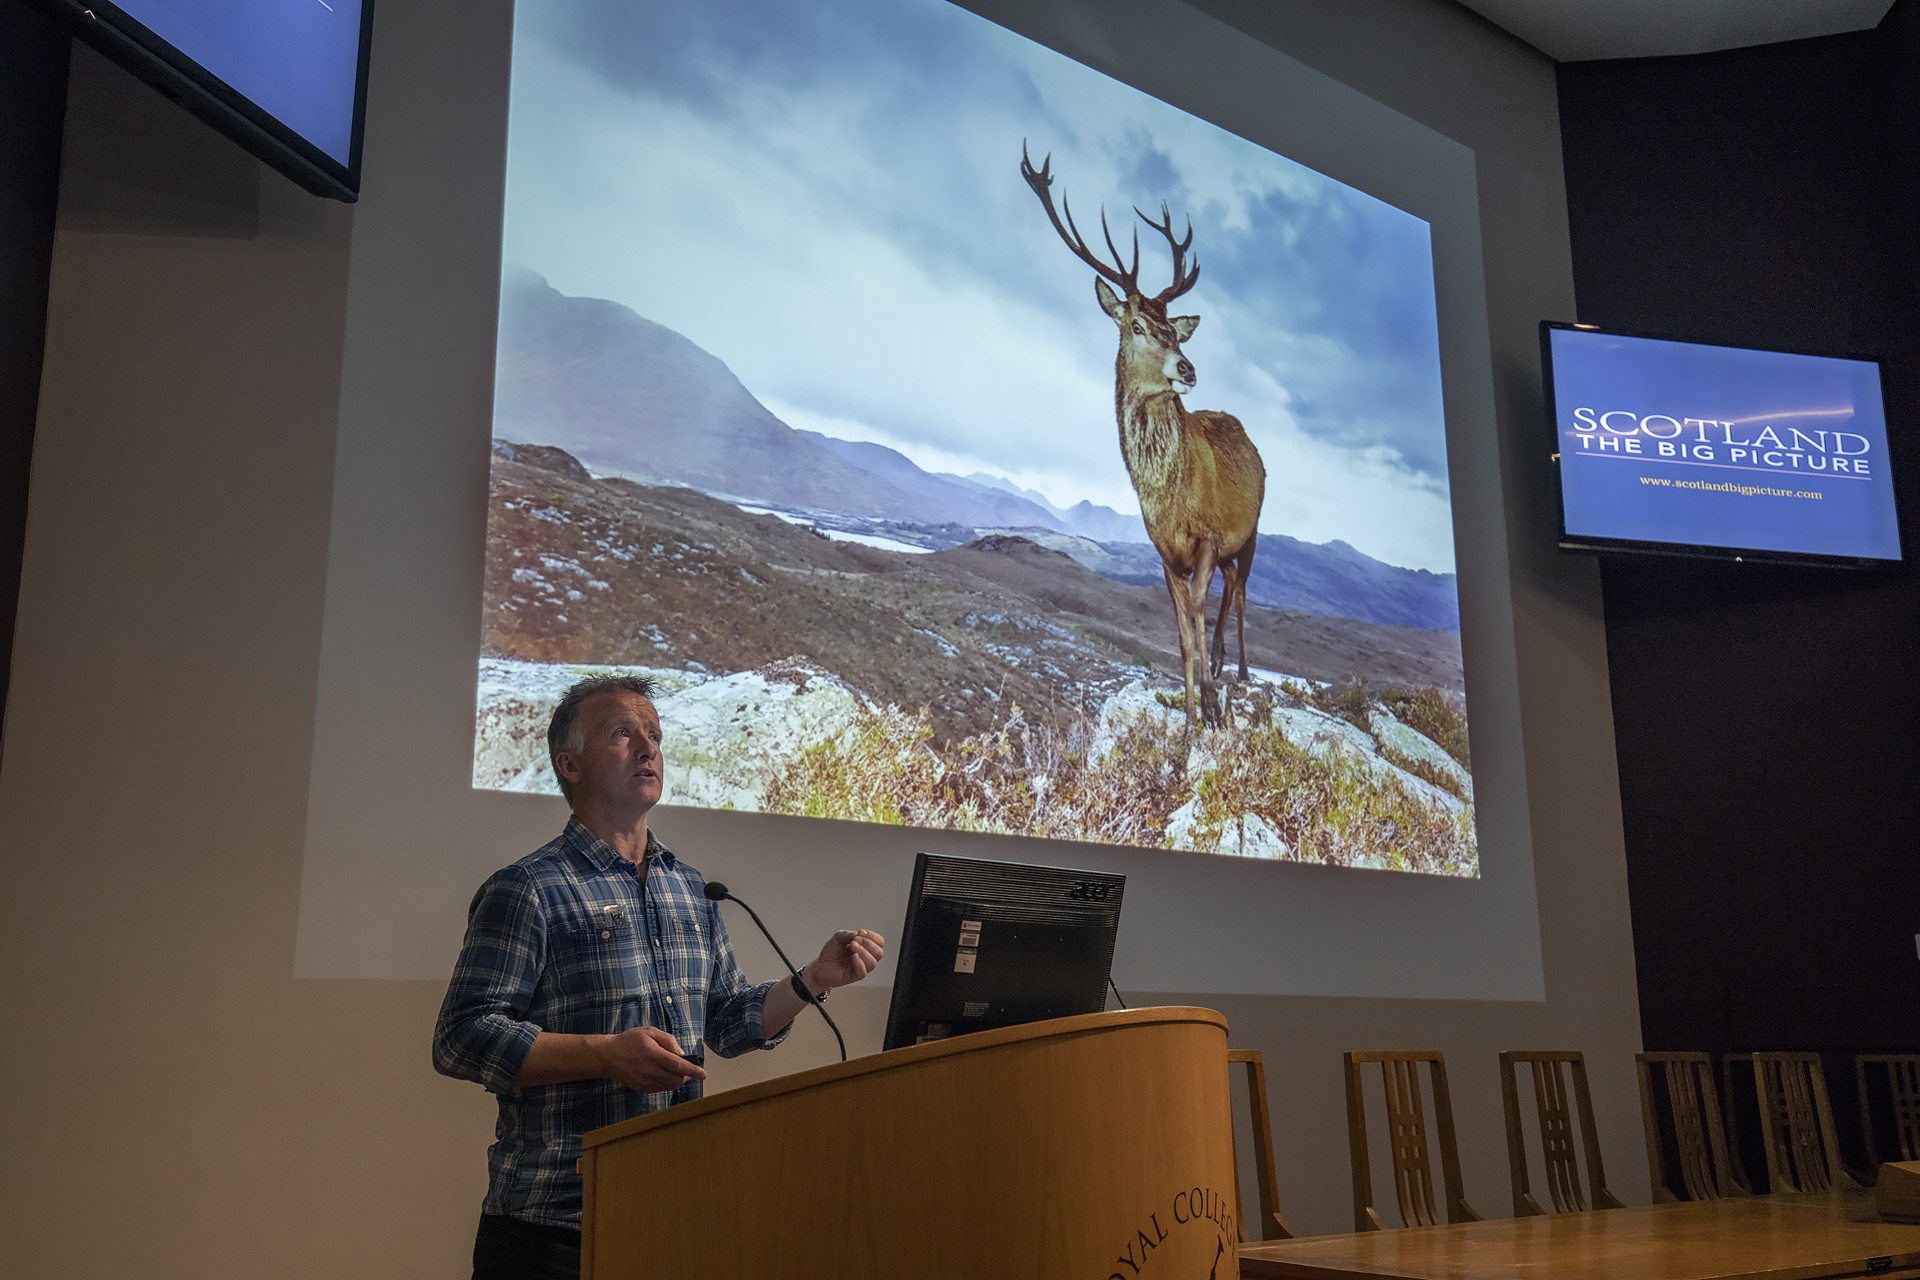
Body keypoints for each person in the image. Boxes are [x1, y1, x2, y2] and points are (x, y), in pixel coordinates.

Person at [433, 674, 886, 1280]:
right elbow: (461, 1036)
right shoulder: (529, 888)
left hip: (670, 1212)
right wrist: (605, 1055)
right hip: (552, 1229)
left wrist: (813, 980)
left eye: (654, 734)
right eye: (623, 734)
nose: (649, 748)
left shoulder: (690, 889)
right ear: (569, 764)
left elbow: (727, 1023)